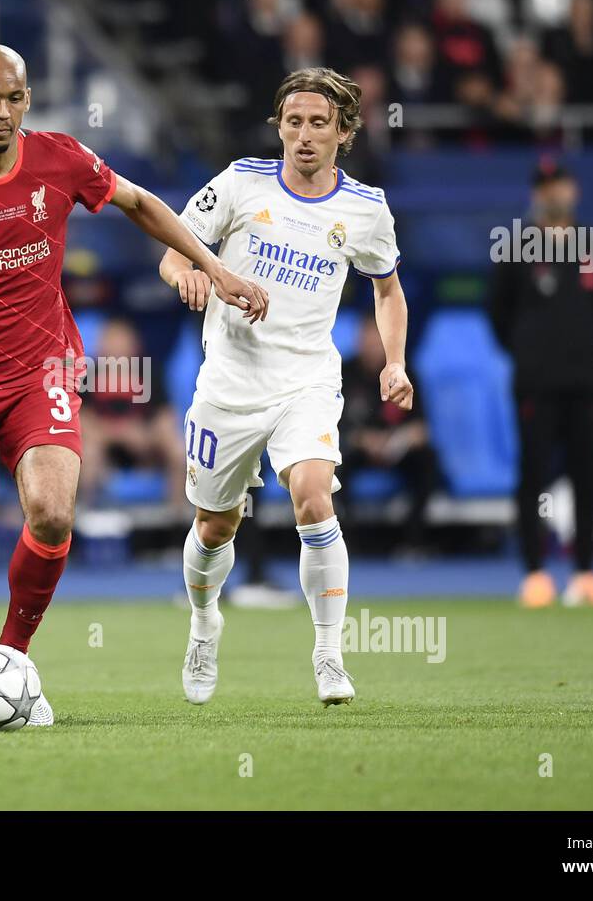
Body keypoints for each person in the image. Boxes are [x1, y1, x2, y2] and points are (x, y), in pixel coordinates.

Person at [0, 43, 267, 726]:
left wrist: (215, 267)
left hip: (43, 368)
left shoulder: (60, 158)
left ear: (28, 101)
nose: (3, 111)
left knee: (54, 513)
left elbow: (140, 203)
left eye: (15, 97)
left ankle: (12, 662)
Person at [161, 66, 413, 709]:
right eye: (293, 122)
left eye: (318, 124)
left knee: (311, 497)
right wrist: (185, 273)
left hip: (307, 379)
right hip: (230, 381)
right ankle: (203, 622)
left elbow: (387, 289)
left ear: (344, 134)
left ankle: (329, 655)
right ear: (280, 126)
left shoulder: (365, 208)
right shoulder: (241, 183)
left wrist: (393, 362)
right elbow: (172, 247)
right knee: (215, 526)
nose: (303, 135)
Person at [487, 158, 593, 608]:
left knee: (587, 477)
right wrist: (531, 353)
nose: (554, 193)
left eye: (560, 184)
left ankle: (585, 574)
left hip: (585, 379)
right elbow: (498, 316)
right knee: (534, 476)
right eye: (545, 186)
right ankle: (535, 574)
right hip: (537, 382)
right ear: (535, 194)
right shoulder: (515, 245)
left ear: (574, 190)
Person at [340, 317, 438, 554]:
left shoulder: (403, 372)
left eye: (377, 340)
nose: (372, 345)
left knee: (427, 460)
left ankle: (413, 542)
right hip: (359, 448)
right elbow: (333, 426)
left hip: (397, 449)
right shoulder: (344, 372)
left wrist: (399, 440)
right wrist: (363, 439)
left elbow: (421, 428)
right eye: (367, 339)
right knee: (335, 463)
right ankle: (347, 541)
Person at [78, 318, 180, 505]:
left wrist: (147, 436)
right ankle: (86, 518)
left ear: (134, 346)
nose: (117, 349)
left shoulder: (150, 372)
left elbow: (165, 417)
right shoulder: (88, 374)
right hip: (102, 444)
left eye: (122, 342)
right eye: (112, 342)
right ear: (101, 346)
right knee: (88, 451)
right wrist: (118, 433)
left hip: (145, 443)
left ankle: (178, 517)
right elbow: (82, 418)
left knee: (178, 451)